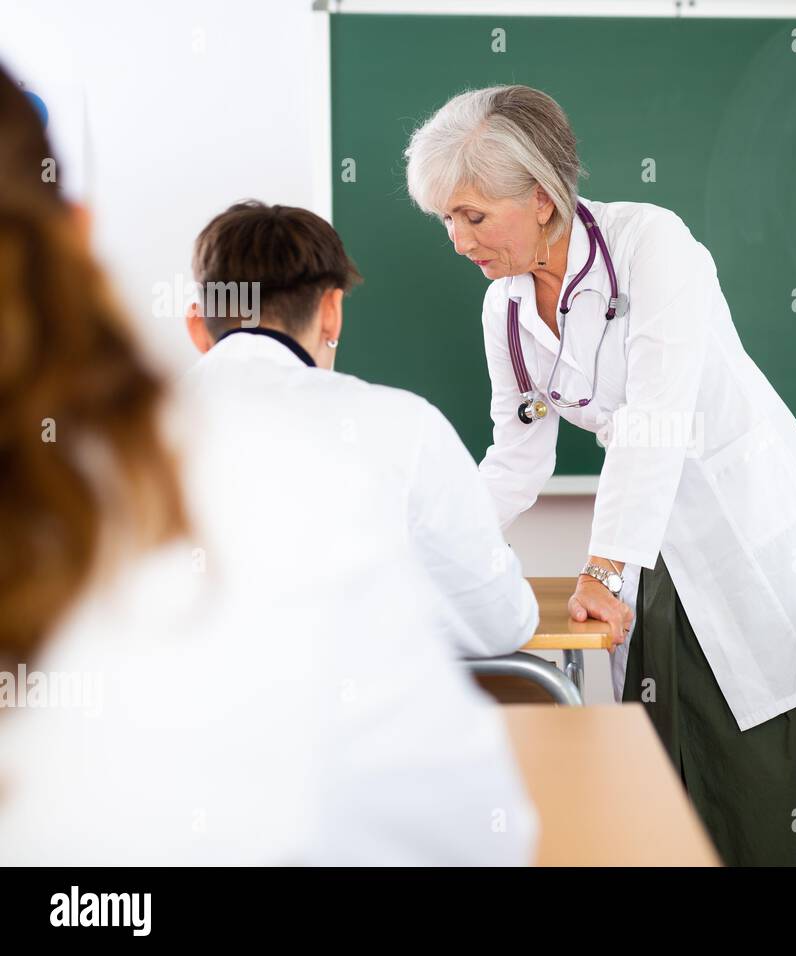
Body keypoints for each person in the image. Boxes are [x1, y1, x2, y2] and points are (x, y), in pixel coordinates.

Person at [0, 65, 536, 865]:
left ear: (195, 324)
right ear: (332, 310)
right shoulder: (362, 440)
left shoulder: (84, 461)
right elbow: (502, 636)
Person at [405, 84, 796, 866]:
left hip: (736, 526)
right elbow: (517, 458)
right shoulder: (507, 308)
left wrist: (604, 565)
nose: (457, 240)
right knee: (657, 758)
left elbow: (658, 421)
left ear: (545, 200)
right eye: (446, 219)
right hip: (643, 541)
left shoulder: (653, 245)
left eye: (473, 216)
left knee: (756, 768)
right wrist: (435, 553)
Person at [181, 200, 537, 660]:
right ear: (331, 311)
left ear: (196, 325)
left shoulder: (110, 438)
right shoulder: (404, 427)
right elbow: (502, 623)